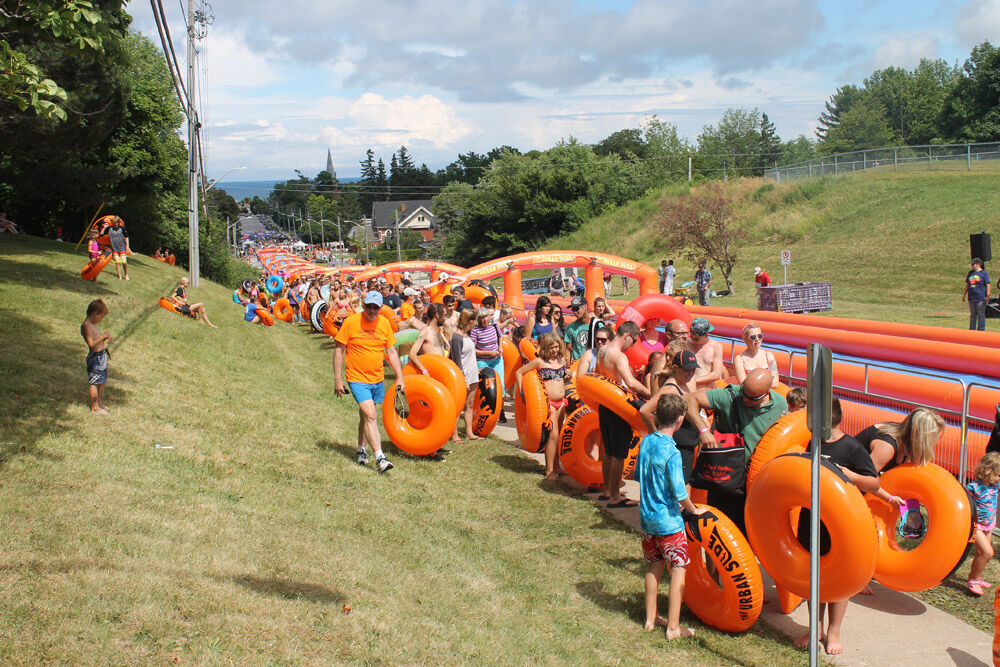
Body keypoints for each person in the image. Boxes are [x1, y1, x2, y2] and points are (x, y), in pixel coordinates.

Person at [793, 397, 881, 656]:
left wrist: (850, 475)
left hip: (840, 525)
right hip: (812, 519)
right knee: (813, 577)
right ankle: (815, 629)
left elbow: (874, 483)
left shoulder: (853, 448)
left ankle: (834, 632)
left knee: (839, 579)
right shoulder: (814, 443)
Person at [683, 368, 787, 532]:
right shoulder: (730, 396)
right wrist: (703, 430)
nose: (744, 399)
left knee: (750, 531)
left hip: (756, 482)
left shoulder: (780, 405)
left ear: (766, 393)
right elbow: (688, 400)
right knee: (719, 528)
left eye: (751, 398)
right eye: (743, 392)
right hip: (726, 478)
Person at [637, 393, 706, 638]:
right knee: (678, 569)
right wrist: (693, 509)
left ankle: (650, 619)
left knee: (654, 565)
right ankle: (674, 627)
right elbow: (679, 492)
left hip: (647, 519)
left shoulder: (646, 442)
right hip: (668, 523)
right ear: (679, 420)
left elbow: (638, 475)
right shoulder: (672, 453)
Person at [333, 290, 404, 473]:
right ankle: (380, 458)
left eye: (375, 307)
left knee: (366, 416)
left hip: (377, 378)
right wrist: (338, 379)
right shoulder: (351, 322)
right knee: (371, 415)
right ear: (363, 305)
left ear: (380, 308)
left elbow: (391, 351)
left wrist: (400, 376)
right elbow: (339, 350)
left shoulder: (385, 324)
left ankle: (361, 450)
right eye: (369, 306)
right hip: (356, 377)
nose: (372, 310)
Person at [596, 320, 651, 506]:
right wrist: (650, 394)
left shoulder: (602, 351)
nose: (632, 345)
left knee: (608, 450)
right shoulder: (619, 356)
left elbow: (599, 375)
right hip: (618, 407)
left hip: (605, 404)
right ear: (627, 336)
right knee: (619, 454)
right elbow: (631, 383)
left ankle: (607, 490)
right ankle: (615, 496)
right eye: (634, 341)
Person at [640, 350, 701, 483]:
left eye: (693, 370)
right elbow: (645, 411)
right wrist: (655, 435)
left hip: (684, 447)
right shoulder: (671, 389)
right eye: (687, 370)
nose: (690, 374)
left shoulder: (681, 383)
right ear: (675, 368)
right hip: (676, 447)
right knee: (677, 486)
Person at [515, 333, 570, 480]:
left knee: (558, 436)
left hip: (561, 402)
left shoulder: (562, 360)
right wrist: (522, 392)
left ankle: (557, 467)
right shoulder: (540, 362)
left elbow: (560, 380)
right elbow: (519, 372)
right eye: (551, 347)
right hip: (549, 403)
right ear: (545, 348)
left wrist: (567, 377)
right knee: (553, 436)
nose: (555, 350)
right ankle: (549, 471)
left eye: (556, 347)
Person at [854, 408, 944, 474]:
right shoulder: (887, 447)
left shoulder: (907, 445)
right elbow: (862, 478)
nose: (935, 440)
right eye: (933, 436)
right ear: (922, 438)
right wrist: (888, 495)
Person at [966, 452, 1000, 596]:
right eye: (998, 475)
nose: (999, 478)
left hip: (989, 525)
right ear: (988, 471)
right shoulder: (973, 487)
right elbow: (963, 501)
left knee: (983, 553)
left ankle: (976, 576)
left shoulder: (995, 485)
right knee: (987, 552)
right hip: (977, 525)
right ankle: (973, 580)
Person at [449, 309, 482, 443]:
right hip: (463, 376)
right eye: (474, 320)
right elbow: (456, 360)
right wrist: (463, 379)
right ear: (469, 321)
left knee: (470, 404)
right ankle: (454, 435)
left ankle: (469, 432)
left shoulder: (467, 335)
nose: (476, 323)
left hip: (473, 374)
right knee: (458, 406)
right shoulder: (457, 338)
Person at [471, 306, 506, 421]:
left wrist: (500, 347)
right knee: (486, 388)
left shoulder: (494, 325)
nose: (485, 320)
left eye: (486, 317)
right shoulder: (475, 330)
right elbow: (472, 349)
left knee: (501, 385)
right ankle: (484, 413)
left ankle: (501, 412)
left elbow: (500, 337)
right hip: (483, 361)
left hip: (497, 360)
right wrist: (488, 353)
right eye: (482, 317)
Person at [81, 299, 111, 415]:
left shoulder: (93, 324)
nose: (101, 319)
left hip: (101, 356)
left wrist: (104, 337)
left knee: (102, 381)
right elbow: (91, 343)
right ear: (95, 313)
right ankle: (95, 407)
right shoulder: (86, 325)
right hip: (95, 358)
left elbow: (97, 339)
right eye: (101, 317)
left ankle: (99, 402)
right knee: (95, 382)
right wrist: (102, 336)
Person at [733, 323, 779, 387]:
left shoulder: (769, 356)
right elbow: (743, 384)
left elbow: (775, 382)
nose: (757, 339)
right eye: (753, 337)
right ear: (745, 339)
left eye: (760, 336)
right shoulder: (739, 359)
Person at [688, 317, 724, 390]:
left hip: (706, 390)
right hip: (688, 389)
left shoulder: (715, 346)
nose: (693, 340)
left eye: (697, 339)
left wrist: (692, 381)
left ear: (706, 335)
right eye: (691, 336)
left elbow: (716, 374)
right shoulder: (685, 344)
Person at [963, 257, 991, 331]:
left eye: (973, 264)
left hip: (981, 297)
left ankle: (981, 330)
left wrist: (988, 295)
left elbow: (988, 285)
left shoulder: (984, 273)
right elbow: (967, 285)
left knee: (980, 314)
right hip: (971, 297)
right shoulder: (970, 273)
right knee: (973, 314)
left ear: (978, 264)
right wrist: (964, 295)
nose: (972, 266)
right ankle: (972, 329)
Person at [564, 296, 594, 361]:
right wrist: (567, 365)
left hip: (592, 363)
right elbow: (568, 350)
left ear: (585, 307)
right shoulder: (571, 328)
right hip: (577, 364)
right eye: (573, 309)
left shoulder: (597, 325)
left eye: (577, 308)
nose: (575, 312)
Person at [107, 216, 129, 281]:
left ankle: (126, 274)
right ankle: (119, 276)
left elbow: (126, 237)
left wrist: (127, 246)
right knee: (117, 262)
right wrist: (105, 226)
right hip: (114, 249)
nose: (116, 224)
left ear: (119, 222)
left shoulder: (122, 228)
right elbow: (102, 234)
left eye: (117, 222)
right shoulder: (109, 229)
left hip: (122, 248)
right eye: (114, 222)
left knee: (124, 262)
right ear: (112, 223)